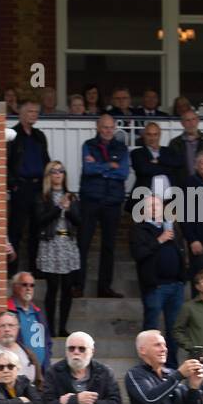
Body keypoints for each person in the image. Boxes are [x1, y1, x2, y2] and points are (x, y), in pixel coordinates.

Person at [131, 193, 190, 364]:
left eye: (158, 205)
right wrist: (159, 240)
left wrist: (183, 276)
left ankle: (171, 366)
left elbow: (181, 250)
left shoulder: (171, 226)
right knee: (152, 328)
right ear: (144, 210)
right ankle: (149, 366)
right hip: (155, 287)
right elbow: (139, 254)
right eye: (151, 206)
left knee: (174, 329)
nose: (155, 208)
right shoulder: (139, 229)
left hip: (176, 286)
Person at [77, 114, 129, 299]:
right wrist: (109, 166)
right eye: (104, 127)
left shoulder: (122, 148)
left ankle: (104, 288)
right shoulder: (88, 145)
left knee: (109, 247)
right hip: (91, 199)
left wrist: (100, 167)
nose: (108, 131)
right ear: (98, 127)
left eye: (111, 127)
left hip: (112, 202)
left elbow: (123, 173)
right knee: (83, 243)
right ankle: (77, 286)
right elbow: (88, 170)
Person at [33, 162, 82, 339]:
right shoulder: (43, 197)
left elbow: (79, 221)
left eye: (61, 171)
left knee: (67, 288)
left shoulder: (72, 196)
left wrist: (68, 210)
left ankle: (62, 327)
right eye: (54, 171)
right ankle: (51, 328)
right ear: (48, 175)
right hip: (50, 244)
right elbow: (40, 220)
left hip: (67, 243)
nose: (58, 174)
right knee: (52, 288)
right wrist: (58, 208)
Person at [7, 101, 50, 274]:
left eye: (36, 111)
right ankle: (11, 270)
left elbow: (46, 160)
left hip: (38, 187)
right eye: (30, 111)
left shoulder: (39, 136)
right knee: (15, 230)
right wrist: (13, 185)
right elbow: (5, 163)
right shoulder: (12, 134)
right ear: (21, 114)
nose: (34, 114)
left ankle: (35, 268)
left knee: (37, 230)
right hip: (21, 187)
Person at [168, 110, 203, 190]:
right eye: (187, 120)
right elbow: (171, 168)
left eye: (193, 119)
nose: (191, 123)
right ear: (182, 123)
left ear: (198, 121)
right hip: (183, 188)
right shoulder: (175, 143)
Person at [7, 271, 51, 367]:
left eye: (32, 285)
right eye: (24, 285)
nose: (28, 288)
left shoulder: (38, 313)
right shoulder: (8, 312)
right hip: (19, 372)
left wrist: (46, 362)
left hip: (41, 373)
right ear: (15, 287)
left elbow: (47, 342)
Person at [130, 122, 184, 196]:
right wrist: (168, 167)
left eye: (155, 134)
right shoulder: (137, 153)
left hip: (171, 201)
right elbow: (144, 169)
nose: (152, 138)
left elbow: (179, 164)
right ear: (144, 135)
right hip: (145, 200)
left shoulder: (169, 151)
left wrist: (159, 160)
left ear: (160, 135)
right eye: (149, 134)